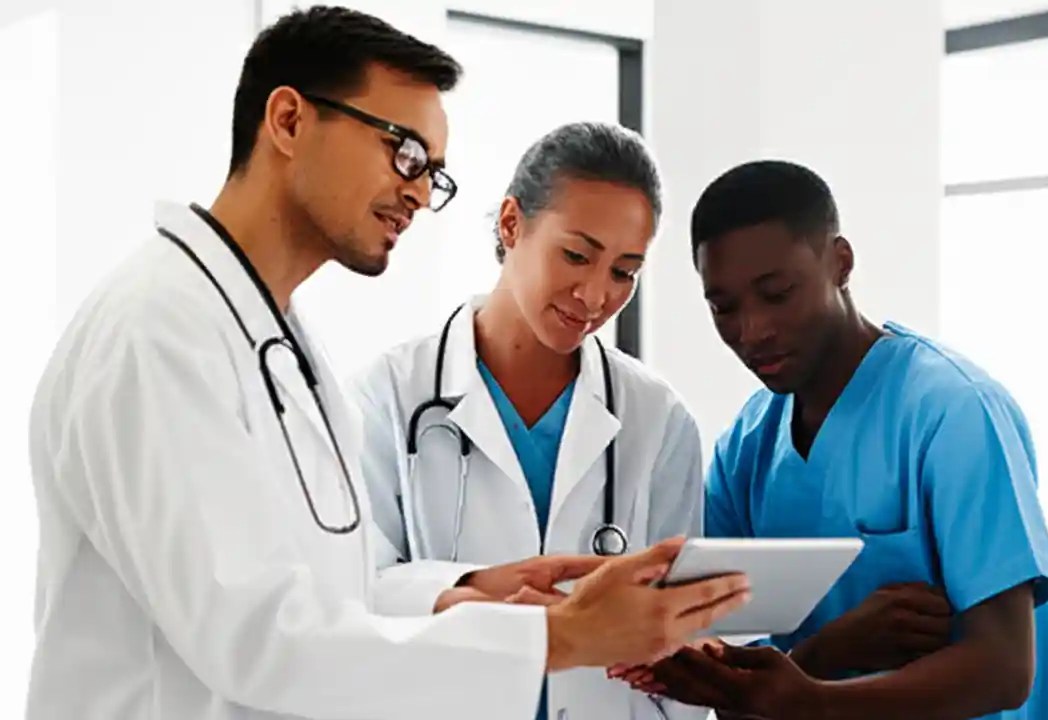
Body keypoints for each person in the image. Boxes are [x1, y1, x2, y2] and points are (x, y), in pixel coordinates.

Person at [24, 8, 749, 719]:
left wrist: (473, 590)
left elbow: (333, 600)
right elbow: (259, 638)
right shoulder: (158, 333)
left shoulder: (281, 350)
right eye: (404, 153)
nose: (419, 193)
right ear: (288, 120)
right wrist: (561, 635)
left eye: (432, 173)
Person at [621, 160, 1048, 719]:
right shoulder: (747, 446)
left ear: (840, 263)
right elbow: (729, 679)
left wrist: (810, 699)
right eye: (725, 308)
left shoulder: (955, 411)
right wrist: (827, 653)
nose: (753, 330)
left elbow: (1003, 669)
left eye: (777, 293)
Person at [349, 121, 709, 720]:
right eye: (577, 256)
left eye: (624, 272)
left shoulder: (659, 420)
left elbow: (681, 641)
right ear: (512, 224)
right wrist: (476, 590)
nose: (595, 296)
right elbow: (352, 594)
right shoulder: (387, 396)